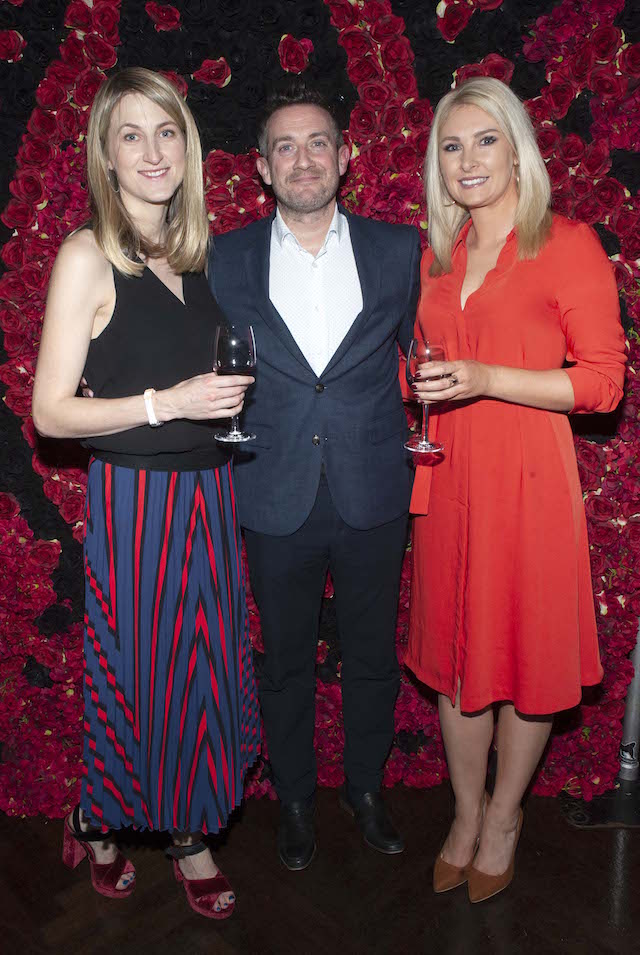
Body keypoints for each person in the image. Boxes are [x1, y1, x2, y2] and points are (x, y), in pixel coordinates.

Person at [32, 67, 259, 919]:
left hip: (210, 499)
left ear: (187, 146)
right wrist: (168, 402)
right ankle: (104, 817)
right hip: (138, 507)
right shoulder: (86, 255)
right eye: (131, 134)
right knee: (146, 680)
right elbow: (50, 411)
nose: (153, 150)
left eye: (166, 131)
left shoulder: (193, 255)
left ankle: (184, 827)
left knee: (203, 676)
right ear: (106, 154)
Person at [406, 77, 626, 903]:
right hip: (446, 476)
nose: (467, 160)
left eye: (484, 140)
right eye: (451, 146)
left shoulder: (565, 243)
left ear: (517, 147)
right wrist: (416, 381)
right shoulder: (437, 254)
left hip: (529, 483)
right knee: (457, 659)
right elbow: (428, 361)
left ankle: (504, 816)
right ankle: (464, 814)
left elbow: (604, 383)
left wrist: (490, 375)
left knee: (524, 656)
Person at [208, 82, 421, 869]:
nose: (304, 158)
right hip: (271, 489)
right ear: (263, 167)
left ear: (346, 156)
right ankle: (295, 796)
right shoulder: (223, 257)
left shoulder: (399, 249)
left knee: (372, 654)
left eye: (319, 142)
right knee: (286, 659)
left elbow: (425, 352)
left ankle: (364, 785)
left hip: (373, 489)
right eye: (286, 146)